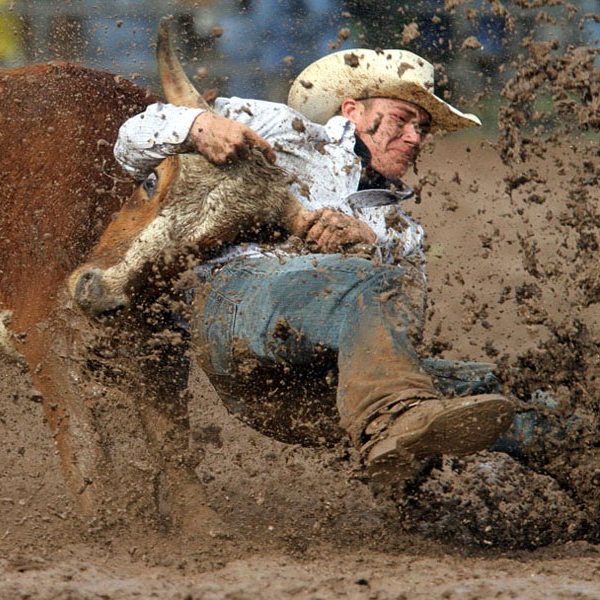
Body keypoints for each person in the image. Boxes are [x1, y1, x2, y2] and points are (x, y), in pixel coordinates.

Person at [113, 48, 516, 482]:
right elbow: (132, 140)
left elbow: (406, 320)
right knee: (369, 285)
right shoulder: (287, 129)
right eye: (401, 119)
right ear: (352, 111)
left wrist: (369, 243)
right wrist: (200, 126)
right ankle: (391, 420)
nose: (415, 137)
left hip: (314, 386)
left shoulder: (402, 229)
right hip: (235, 304)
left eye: (423, 128)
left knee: (509, 390)